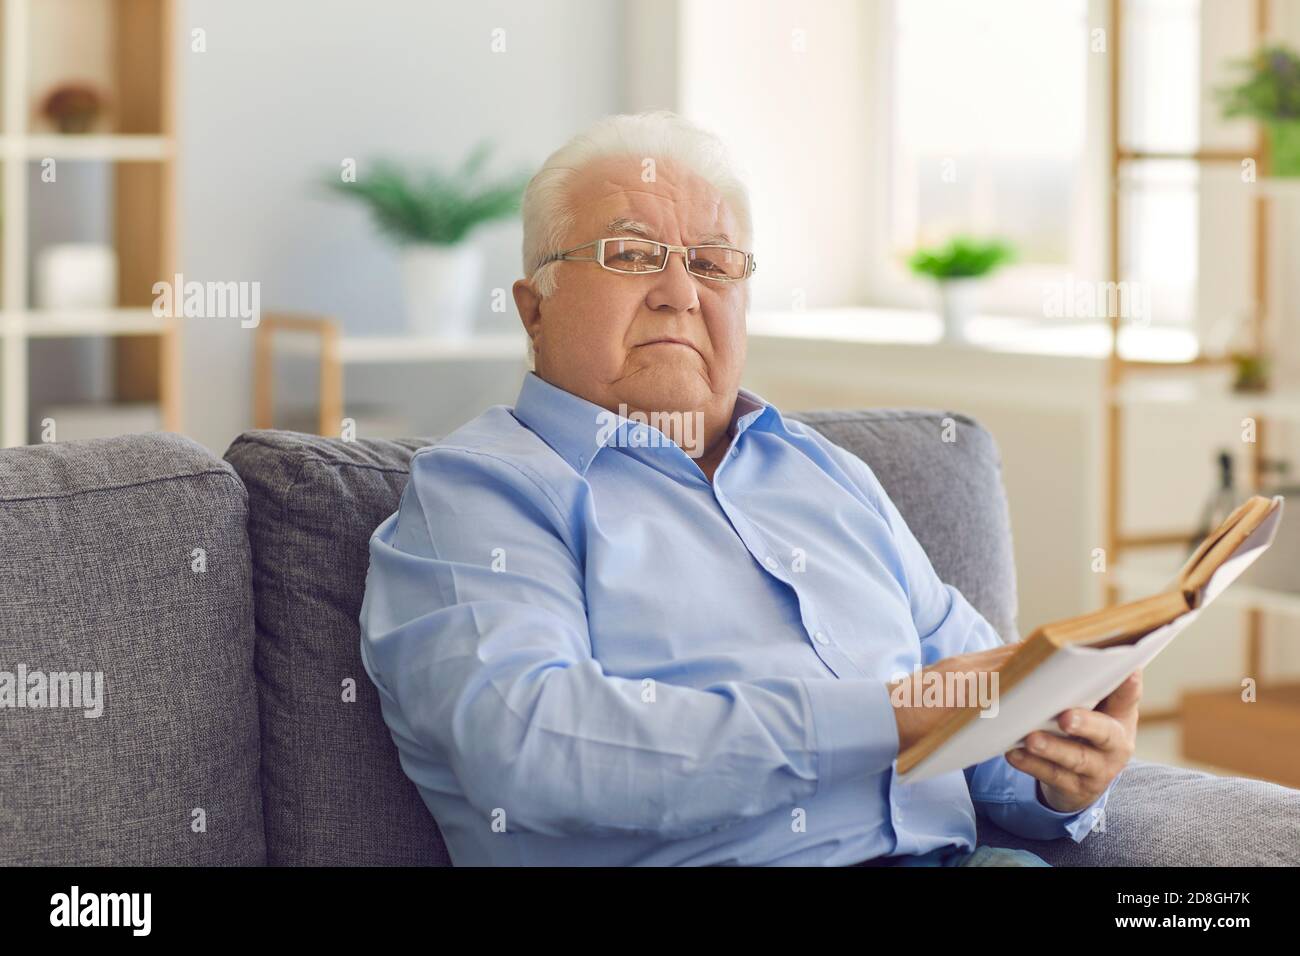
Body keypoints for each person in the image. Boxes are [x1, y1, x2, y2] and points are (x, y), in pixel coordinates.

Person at [358, 110, 1136, 866]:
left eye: (713, 264)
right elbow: (534, 750)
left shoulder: (830, 476)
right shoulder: (480, 492)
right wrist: (891, 714)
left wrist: (1068, 766)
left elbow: (985, 715)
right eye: (631, 255)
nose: (680, 292)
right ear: (534, 309)